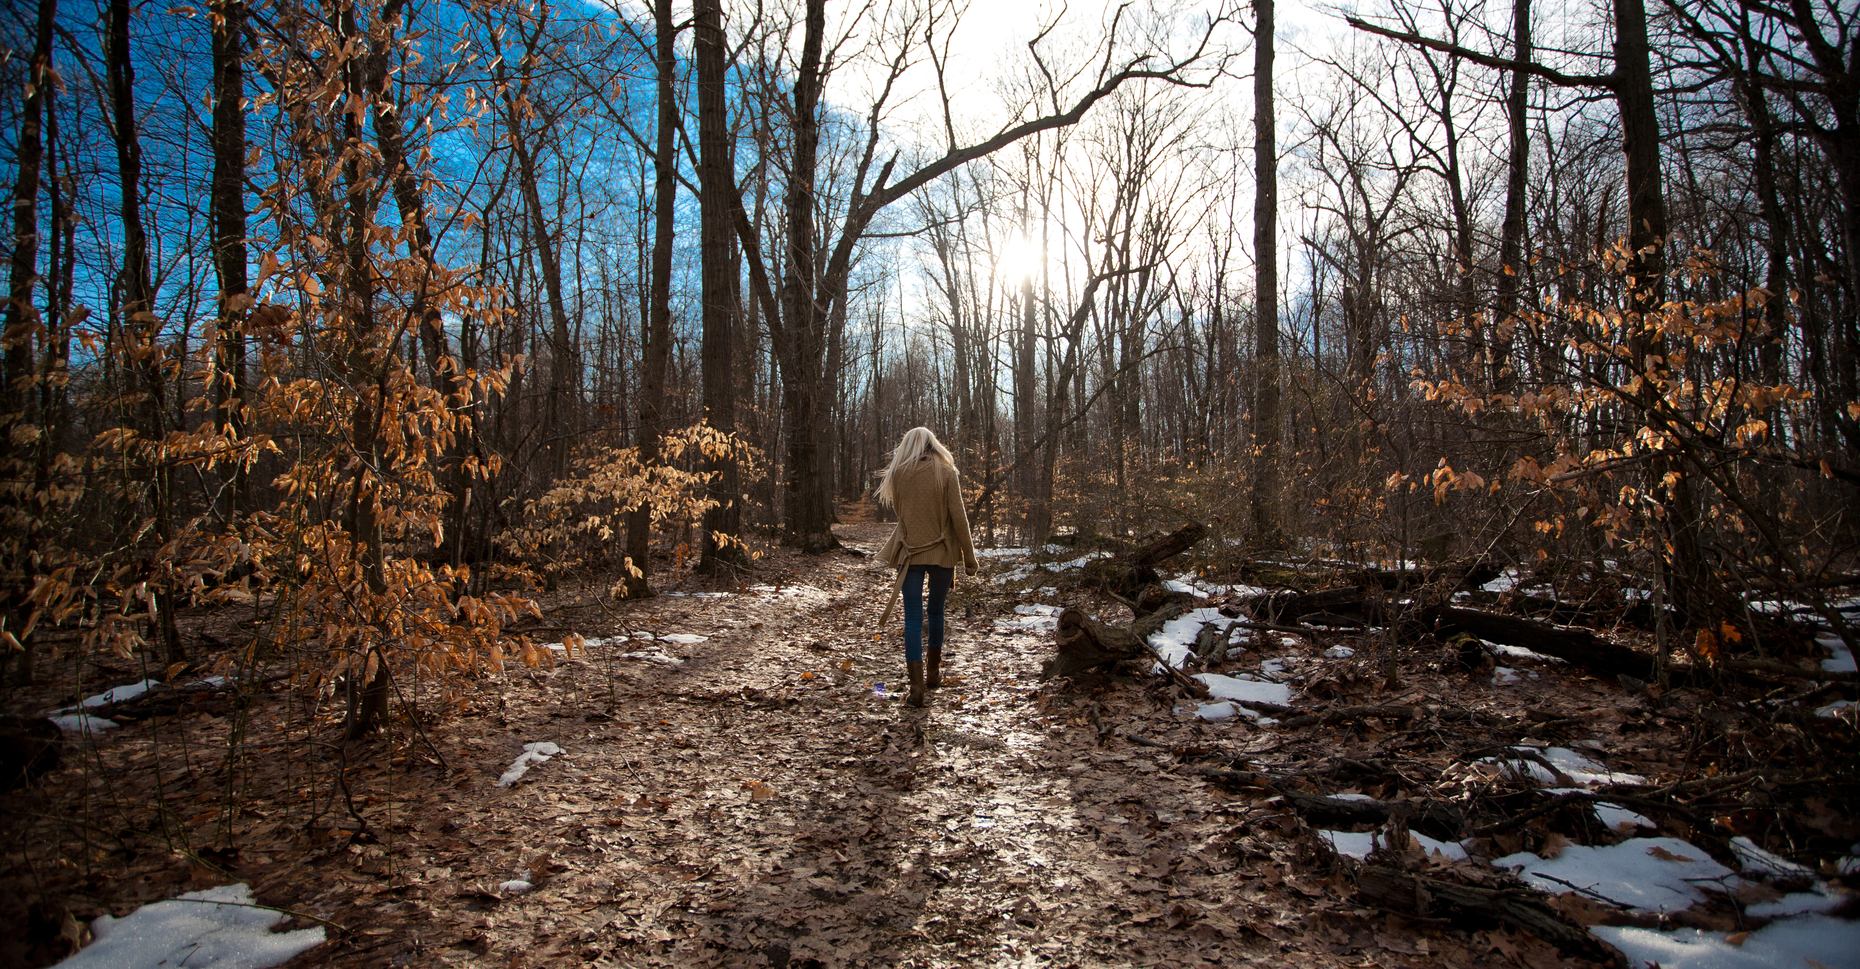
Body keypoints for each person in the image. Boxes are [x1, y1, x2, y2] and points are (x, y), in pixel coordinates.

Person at [876, 427, 978, 707]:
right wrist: (969, 557)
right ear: (933, 445)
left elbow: (902, 515)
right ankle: (933, 673)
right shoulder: (946, 471)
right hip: (942, 554)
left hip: (910, 555)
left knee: (911, 618)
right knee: (935, 611)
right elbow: (958, 517)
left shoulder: (898, 474)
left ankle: (916, 686)